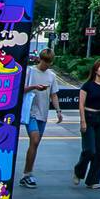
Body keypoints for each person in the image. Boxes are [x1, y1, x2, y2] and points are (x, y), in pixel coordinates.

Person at [19, 48, 62, 188]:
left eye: (49, 62)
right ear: (40, 59)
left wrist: (58, 111)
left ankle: (27, 173)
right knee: (35, 139)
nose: (46, 65)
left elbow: (54, 94)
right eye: (45, 62)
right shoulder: (30, 72)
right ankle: (28, 174)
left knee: (35, 144)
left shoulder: (51, 76)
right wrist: (34, 87)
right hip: (31, 112)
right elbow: (21, 89)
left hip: (43, 114)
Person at [73, 59, 100, 190]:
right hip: (88, 117)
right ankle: (79, 171)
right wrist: (82, 121)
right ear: (96, 70)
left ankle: (93, 180)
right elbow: (81, 104)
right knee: (89, 150)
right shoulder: (87, 86)